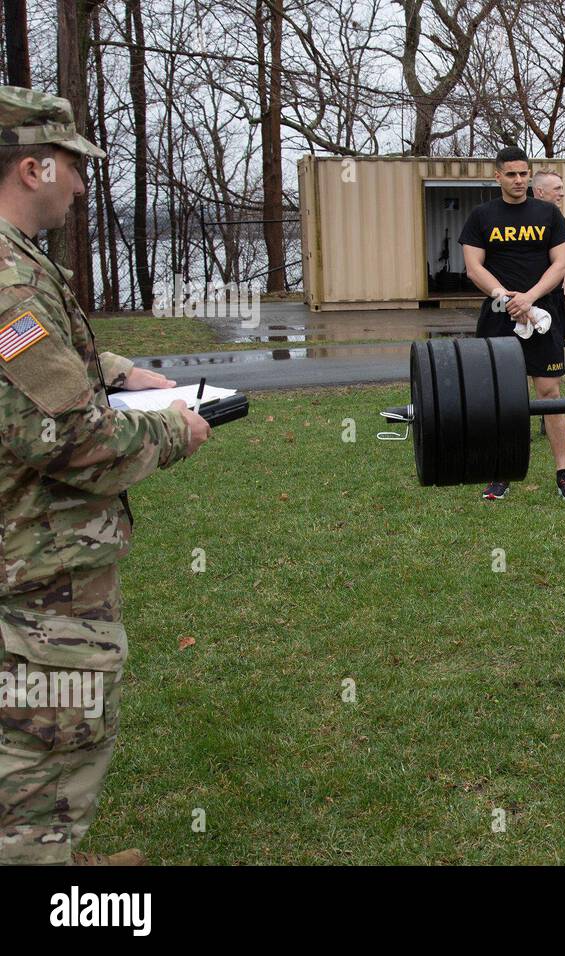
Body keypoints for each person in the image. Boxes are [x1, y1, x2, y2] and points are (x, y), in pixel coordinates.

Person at [0, 87, 210, 866]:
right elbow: (72, 441)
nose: (83, 187)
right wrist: (176, 427)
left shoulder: (18, 265)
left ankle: (53, 849)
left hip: (33, 555)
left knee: (38, 730)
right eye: (73, 170)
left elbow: (38, 367)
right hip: (35, 566)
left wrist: (122, 370)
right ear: (33, 166)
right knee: (51, 732)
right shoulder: (9, 284)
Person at [459, 147, 565, 501]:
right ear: (496, 175)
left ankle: (563, 472)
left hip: (543, 313)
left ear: (530, 176)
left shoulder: (548, 215)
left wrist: (528, 298)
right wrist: (506, 297)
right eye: (511, 174)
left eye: (523, 174)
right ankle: (500, 472)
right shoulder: (482, 216)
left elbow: (559, 264)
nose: (518, 180)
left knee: (550, 394)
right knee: (501, 397)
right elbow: (474, 267)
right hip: (499, 317)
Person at [529, 169, 565, 349]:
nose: (562, 193)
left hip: (555, 296)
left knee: (554, 347)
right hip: (530, 295)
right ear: (540, 191)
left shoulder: (557, 217)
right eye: (557, 188)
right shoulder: (525, 218)